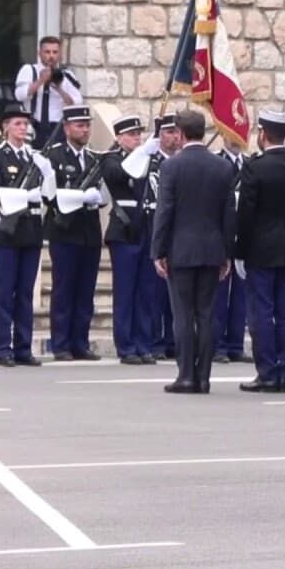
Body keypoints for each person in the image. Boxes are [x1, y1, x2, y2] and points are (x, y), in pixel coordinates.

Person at [152, 110, 237, 394]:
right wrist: (227, 252)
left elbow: (165, 212)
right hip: (212, 249)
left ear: (182, 133)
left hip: (181, 249)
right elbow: (228, 214)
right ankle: (203, 377)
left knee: (183, 315)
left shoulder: (172, 167)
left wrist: (158, 251)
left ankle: (186, 374)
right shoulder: (222, 167)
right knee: (206, 314)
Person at [236, 109, 285, 392]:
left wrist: (239, 250)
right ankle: (284, 372)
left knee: (262, 312)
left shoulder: (255, 168)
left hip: (260, 248)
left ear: (263, 134)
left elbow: (246, 214)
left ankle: (267, 371)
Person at [0, 102, 53, 367]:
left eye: (25, 124)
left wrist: (48, 175)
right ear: (6, 128)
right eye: (17, 124)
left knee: (25, 292)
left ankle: (24, 347)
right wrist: (24, 195)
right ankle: (4, 347)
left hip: (32, 229)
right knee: (5, 291)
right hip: (8, 230)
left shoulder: (35, 157)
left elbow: (50, 194)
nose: (23, 128)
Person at [43, 105, 105, 361]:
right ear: (67, 128)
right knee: (64, 289)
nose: (84, 130)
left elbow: (102, 193)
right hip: (64, 231)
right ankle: (61, 343)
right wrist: (79, 196)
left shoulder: (93, 159)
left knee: (85, 290)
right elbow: (50, 194)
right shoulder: (53, 157)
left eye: (87, 125)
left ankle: (81, 341)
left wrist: (96, 199)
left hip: (88, 231)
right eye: (79, 125)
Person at [102, 113, 159, 365]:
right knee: (125, 292)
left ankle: (144, 344)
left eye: (139, 134)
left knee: (146, 291)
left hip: (146, 228)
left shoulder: (148, 159)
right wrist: (143, 153)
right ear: (119, 137)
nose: (137, 138)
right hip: (124, 230)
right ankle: (125, 345)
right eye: (131, 135)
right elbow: (120, 176)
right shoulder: (111, 159)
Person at [214, 138, 251, 363]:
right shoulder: (216, 162)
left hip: (244, 235)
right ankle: (218, 345)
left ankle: (236, 344)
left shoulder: (250, 165)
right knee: (219, 294)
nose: (236, 140)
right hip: (221, 235)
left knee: (241, 293)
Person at [149, 116, 182, 360]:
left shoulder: (182, 163)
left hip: (180, 234)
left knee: (177, 294)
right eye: (169, 132)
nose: (174, 137)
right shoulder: (152, 162)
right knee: (155, 293)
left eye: (176, 132)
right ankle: (156, 341)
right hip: (155, 231)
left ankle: (173, 341)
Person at [14, 36, 83, 150]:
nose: (51, 56)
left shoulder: (66, 75)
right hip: (34, 125)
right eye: (47, 52)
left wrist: (59, 89)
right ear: (40, 53)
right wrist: (41, 80)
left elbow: (76, 104)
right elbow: (20, 95)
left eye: (55, 52)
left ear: (59, 54)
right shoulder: (29, 70)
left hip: (58, 128)